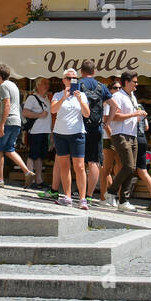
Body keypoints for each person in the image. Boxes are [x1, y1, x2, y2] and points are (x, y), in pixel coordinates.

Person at [50, 67, 90, 208]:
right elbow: (53, 110)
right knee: (64, 166)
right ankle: (67, 196)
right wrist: (64, 97)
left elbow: (86, 114)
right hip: (60, 133)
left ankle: (82, 198)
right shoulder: (58, 94)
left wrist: (79, 99)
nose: (71, 80)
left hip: (77, 133)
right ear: (63, 80)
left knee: (79, 167)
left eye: (74, 79)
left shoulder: (82, 95)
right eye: (68, 78)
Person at [107, 73, 146, 211]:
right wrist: (134, 114)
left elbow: (131, 116)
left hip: (132, 134)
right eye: (134, 82)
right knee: (129, 166)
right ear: (126, 82)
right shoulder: (117, 96)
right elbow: (115, 117)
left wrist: (139, 116)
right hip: (120, 134)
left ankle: (123, 201)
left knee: (132, 168)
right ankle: (111, 191)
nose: (136, 84)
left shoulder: (133, 97)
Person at [76, 60, 112, 206]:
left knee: (79, 162)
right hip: (97, 128)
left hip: (80, 127)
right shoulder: (101, 86)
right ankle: (90, 195)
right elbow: (114, 106)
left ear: (81, 71)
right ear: (94, 71)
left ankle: (82, 194)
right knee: (94, 162)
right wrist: (107, 122)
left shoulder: (78, 84)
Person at [0, 66, 33, 187]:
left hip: (8, 121)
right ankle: (27, 172)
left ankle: (0, 179)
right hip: (16, 121)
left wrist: (2, 124)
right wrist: (0, 103)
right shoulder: (13, 85)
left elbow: (8, 105)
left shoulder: (3, 86)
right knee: (9, 150)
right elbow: (11, 103)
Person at [129, 76, 151, 212]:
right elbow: (147, 127)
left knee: (125, 167)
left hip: (133, 138)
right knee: (142, 170)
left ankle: (118, 197)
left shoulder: (130, 107)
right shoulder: (141, 107)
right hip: (143, 138)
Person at [21, 78, 52, 189]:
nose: (47, 85)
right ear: (38, 85)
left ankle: (38, 180)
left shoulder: (47, 99)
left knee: (40, 156)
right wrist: (39, 115)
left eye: (48, 83)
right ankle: (29, 179)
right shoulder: (32, 98)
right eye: (44, 83)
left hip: (45, 131)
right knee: (33, 155)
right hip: (36, 130)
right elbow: (25, 112)